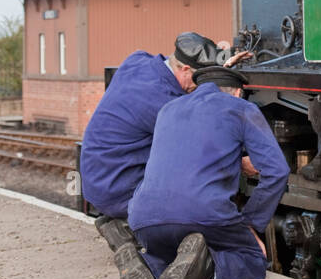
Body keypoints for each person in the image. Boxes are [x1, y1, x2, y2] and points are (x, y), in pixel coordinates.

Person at [115, 65, 290, 279]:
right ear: (238, 92)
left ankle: (149, 265)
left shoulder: (168, 110)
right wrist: (251, 222)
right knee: (252, 259)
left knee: (170, 251)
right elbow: (277, 170)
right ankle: (206, 272)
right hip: (202, 213)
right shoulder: (241, 108)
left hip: (143, 218)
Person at [82, 33, 250, 254]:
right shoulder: (163, 103)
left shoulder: (138, 61)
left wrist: (222, 59)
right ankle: (137, 229)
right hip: (116, 187)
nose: (202, 87)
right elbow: (204, 146)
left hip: (99, 175)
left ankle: (121, 221)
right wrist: (240, 161)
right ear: (185, 70)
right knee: (195, 174)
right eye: (201, 81)